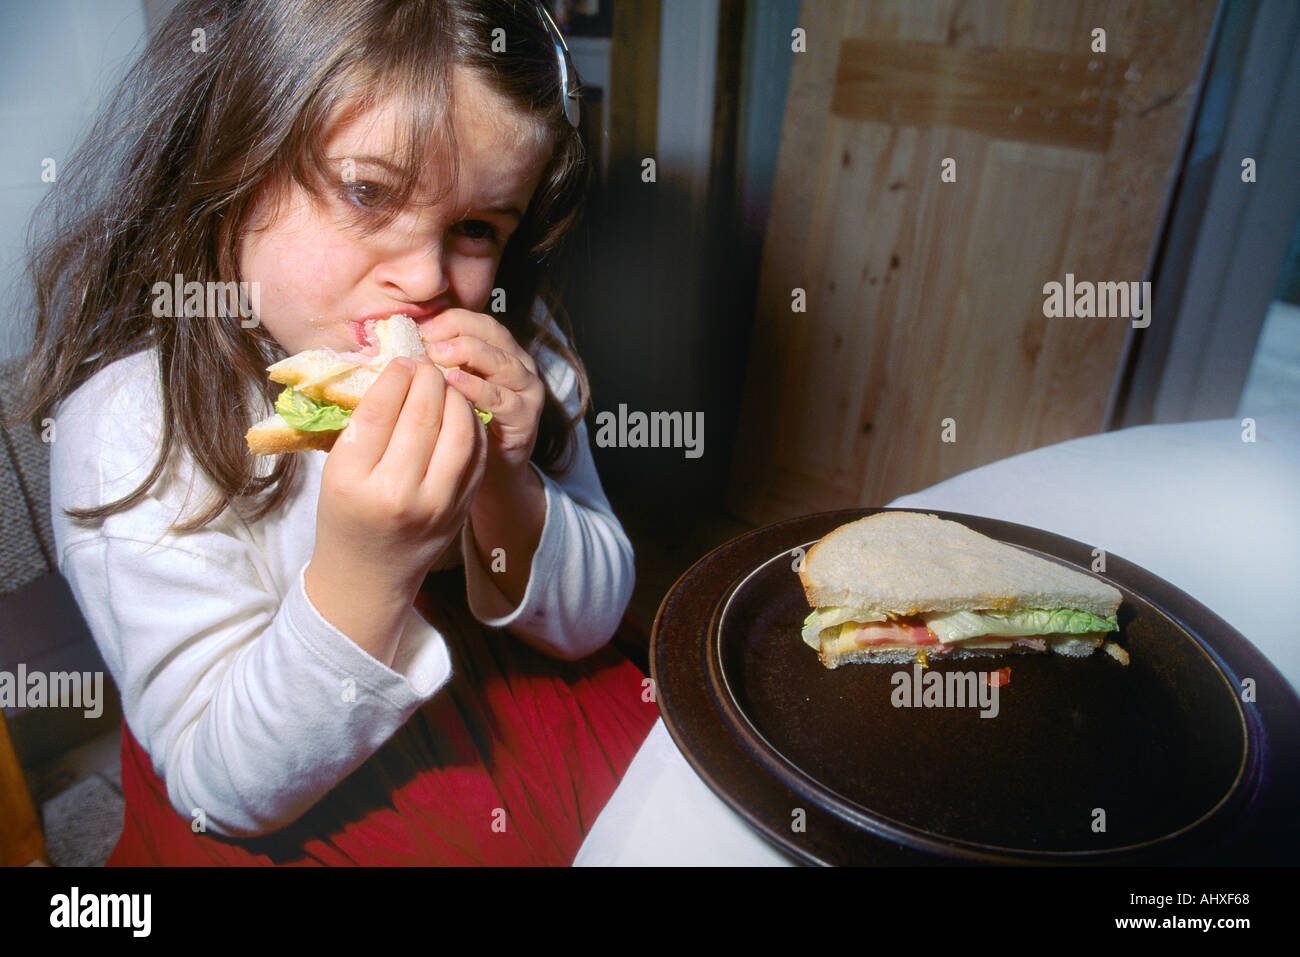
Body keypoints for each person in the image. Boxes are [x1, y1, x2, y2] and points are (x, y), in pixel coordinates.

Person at [13, 0, 657, 865]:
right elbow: (222, 785)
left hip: (506, 683)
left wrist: (511, 483)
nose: (427, 277)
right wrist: (367, 570)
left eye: (475, 227)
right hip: (285, 753)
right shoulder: (131, 428)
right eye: (369, 191)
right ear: (234, 159)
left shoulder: (518, 346)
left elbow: (591, 616)